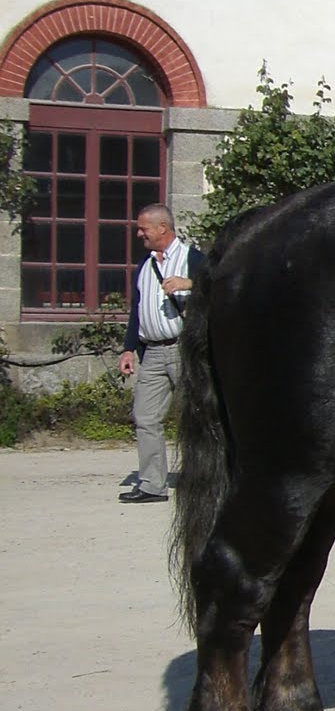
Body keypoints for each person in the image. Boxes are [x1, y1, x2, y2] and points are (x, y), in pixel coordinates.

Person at [117, 204, 205, 504]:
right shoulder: (145, 265)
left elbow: (219, 285)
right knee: (145, 417)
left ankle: (207, 479)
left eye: (143, 229)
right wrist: (129, 348)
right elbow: (137, 310)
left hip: (184, 349)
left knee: (199, 416)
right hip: (152, 353)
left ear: (162, 229)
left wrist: (190, 283)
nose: (139, 234)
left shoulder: (193, 258)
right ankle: (153, 485)